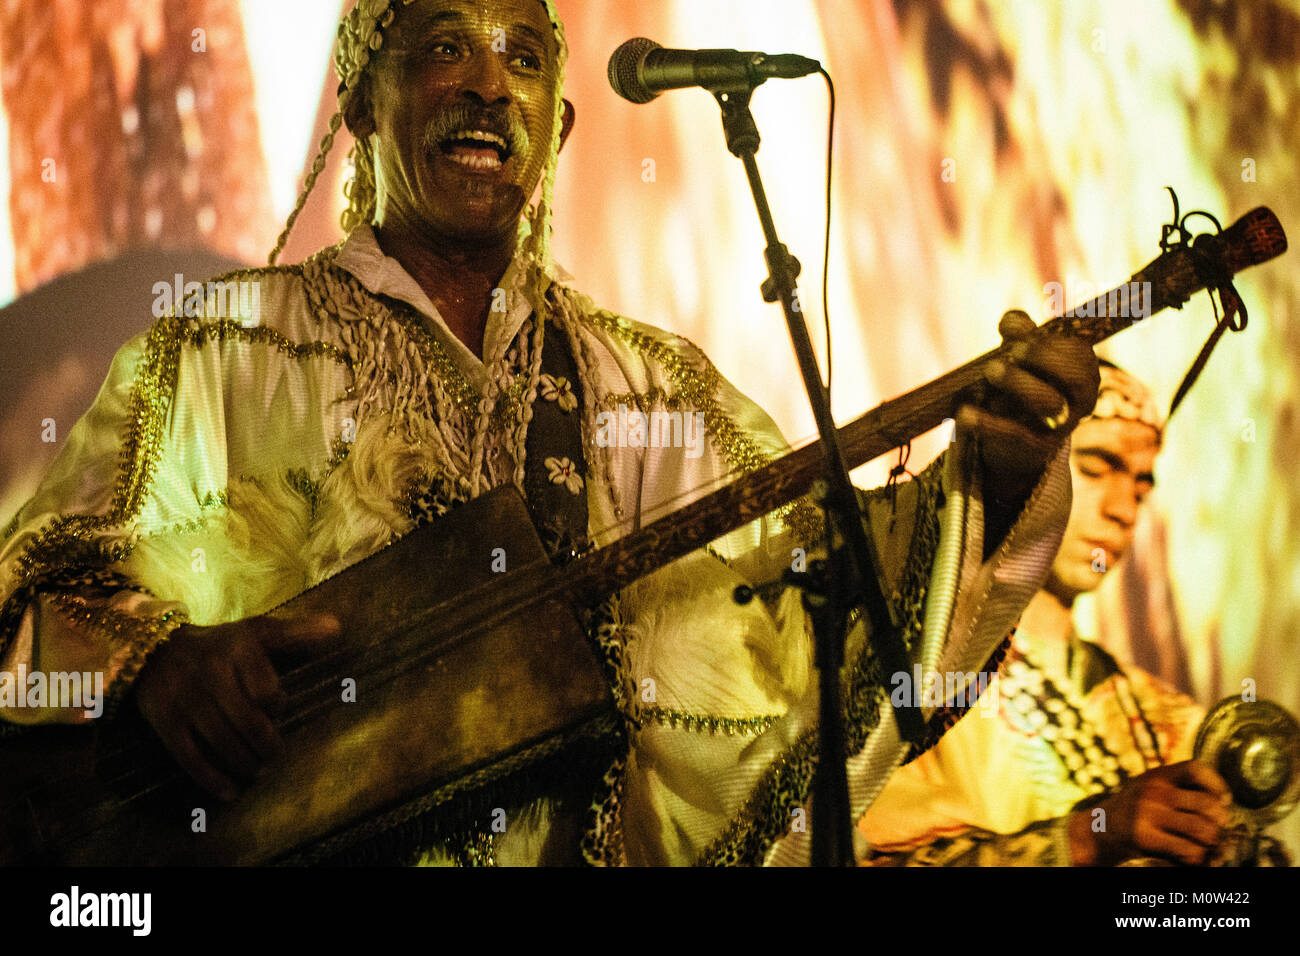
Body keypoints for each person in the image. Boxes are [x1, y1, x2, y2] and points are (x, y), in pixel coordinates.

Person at [0, 0, 1098, 866]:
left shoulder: (645, 384)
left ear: (559, 127)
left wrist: (990, 482)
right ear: (360, 104)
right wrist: (153, 660)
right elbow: (39, 580)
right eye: (444, 46)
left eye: (525, 58)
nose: (488, 86)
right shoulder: (225, 349)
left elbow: (809, 609)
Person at [858, 361, 1276, 866]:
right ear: (1037, 467)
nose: (1123, 509)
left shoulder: (1171, 722)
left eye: (1141, 487)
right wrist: (1083, 839)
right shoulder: (918, 681)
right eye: (1098, 467)